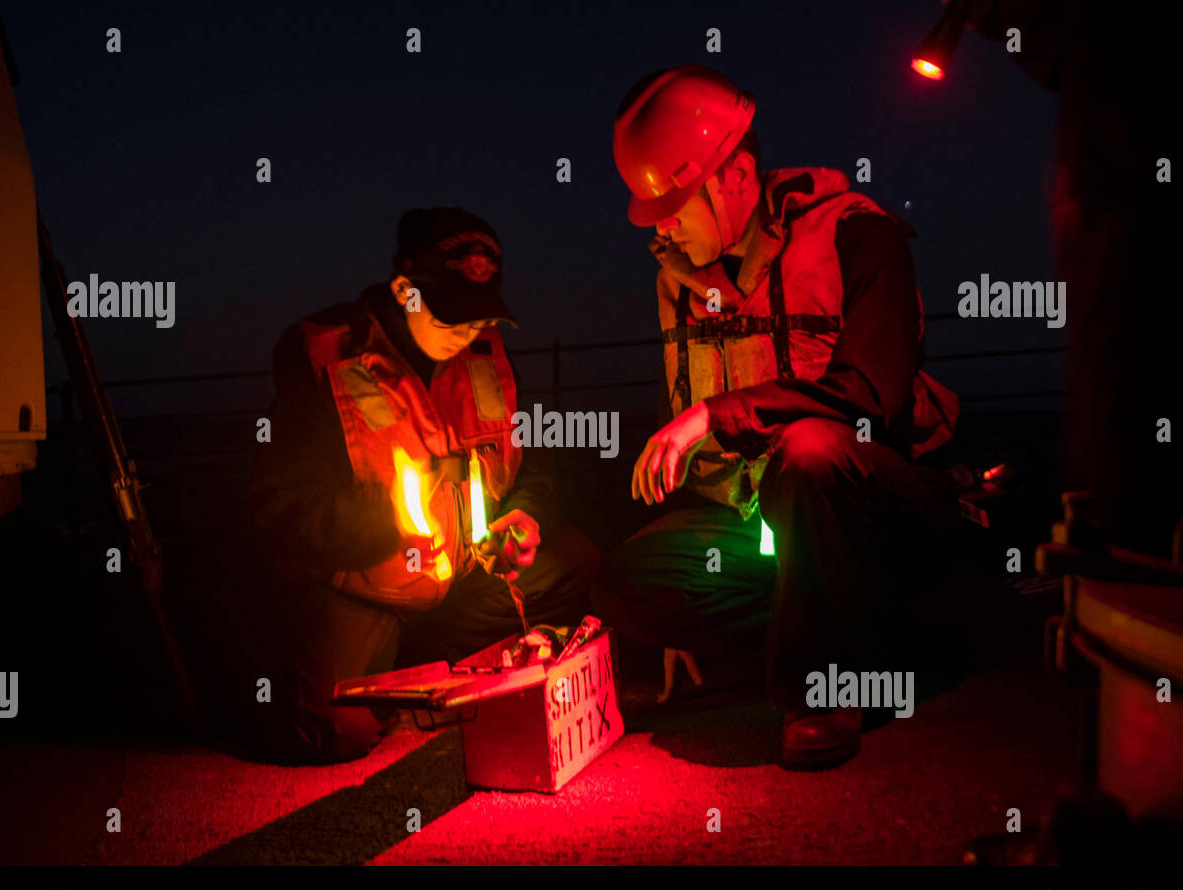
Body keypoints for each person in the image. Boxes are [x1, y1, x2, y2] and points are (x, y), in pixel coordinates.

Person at [594, 65, 959, 768]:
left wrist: (717, 414)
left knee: (814, 450)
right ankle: (855, 637)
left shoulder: (860, 234)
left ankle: (824, 689)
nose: (663, 224)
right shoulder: (678, 284)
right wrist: (683, 620)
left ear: (735, 177)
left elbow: (871, 399)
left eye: (675, 201)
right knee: (626, 579)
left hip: (878, 518)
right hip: (771, 535)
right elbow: (702, 473)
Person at [247, 207, 598, 764]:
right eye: (451, 315)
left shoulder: (487, 351)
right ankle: (404, 668)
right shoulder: (325, 358)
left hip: (468, 577)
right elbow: (276, 511)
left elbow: (535, 466)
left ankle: (435, 657)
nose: (465, 333)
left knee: (579, 562)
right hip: (370, 588)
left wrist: (526, 513)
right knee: (334, 734)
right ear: (405, 291)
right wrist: (376, 527)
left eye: (477, 317)